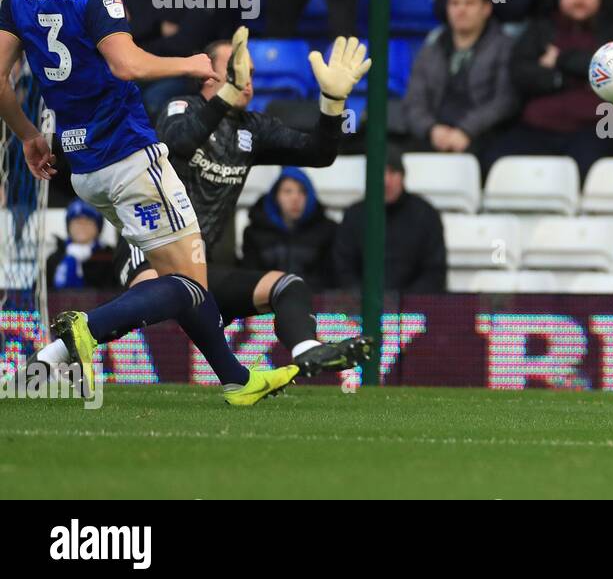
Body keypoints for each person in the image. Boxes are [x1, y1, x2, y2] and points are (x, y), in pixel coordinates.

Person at [0, 0, 294, 405]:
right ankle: (85, 330)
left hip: (81, 167)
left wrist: (27, 133)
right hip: (128, 153)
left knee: (181, 281)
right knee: (189, 284)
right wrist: (191, 62)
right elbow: (126, 65)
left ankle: (238, 382)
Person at [119, 31, 373, 376]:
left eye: (251, 73)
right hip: (150, 251)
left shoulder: (253, 129)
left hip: (199, 268)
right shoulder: (180, 108)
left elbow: (319, 153)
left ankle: (307, 349)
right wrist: (226, 97)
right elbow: (179, 142)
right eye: (237, 70)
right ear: (209, 75)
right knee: (171, 293)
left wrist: (332, 104)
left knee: (289, 285)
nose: (247, 80)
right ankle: (63, 349)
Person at [493, 0, 613, 176]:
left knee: (590, 168)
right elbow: (520, 73)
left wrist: (561, 59)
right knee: (498, 161)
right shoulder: (541, 28)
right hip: (538, 129)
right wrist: (568, 80)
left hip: (597, 129)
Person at [401, 0, 519, 160]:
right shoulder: (432, 47)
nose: (460, 10)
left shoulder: (505, 46)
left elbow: (504, 102)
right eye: (454, 3)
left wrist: (466, 130)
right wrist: (432, 130)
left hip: (484, 137)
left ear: (486, 8)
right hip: (434, 136)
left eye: (469, 3)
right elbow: (414, 101)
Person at [334, 146, 448, 292]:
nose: (386, 181)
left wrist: (403, 305)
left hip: (414, 311)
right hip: (361, 309)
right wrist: (363, 299)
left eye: (392, 172)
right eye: (379, 172)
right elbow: (343, 269)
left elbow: (434, 271)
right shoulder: (354, 215)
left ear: (402, 176)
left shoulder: (425, 214)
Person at [241, 168, 337, 290]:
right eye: (287, 191)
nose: (295, 198)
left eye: (302, 192)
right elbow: (249, 278)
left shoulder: (327, 231)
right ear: (275, 196)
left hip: (314, 304)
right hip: (267, 303)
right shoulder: (255, 232)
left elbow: (332, 277)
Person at [46, 199, 118, 291]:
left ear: (98, 227)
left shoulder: (109, 257)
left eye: (88, 222)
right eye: (77, 222)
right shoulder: (55, 258)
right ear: (69, 226)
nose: (82, 226)